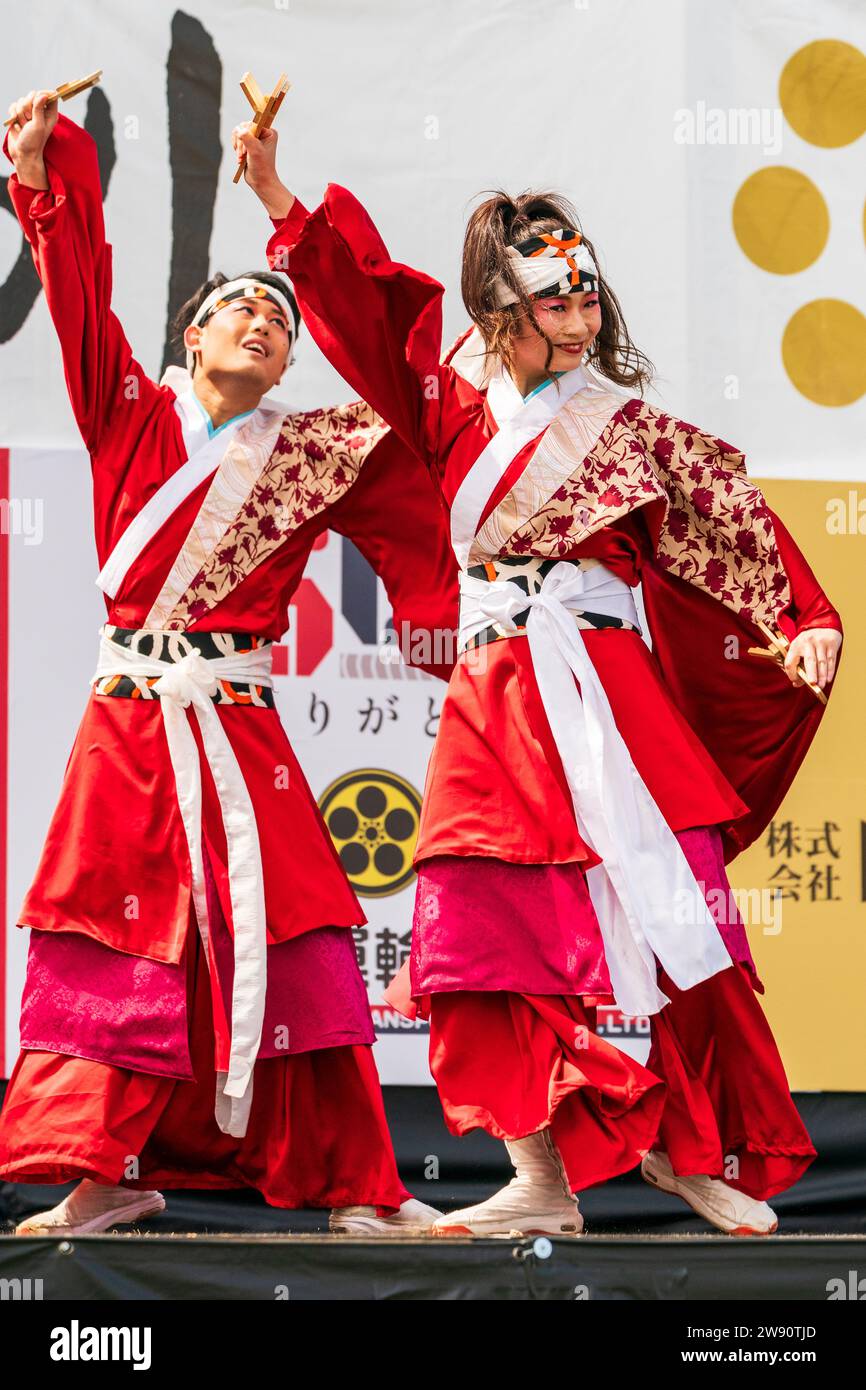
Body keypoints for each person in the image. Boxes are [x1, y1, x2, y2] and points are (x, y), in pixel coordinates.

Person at [237, 123, 843, 1238]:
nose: (583, 315)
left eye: (588, 296)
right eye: (558, 301)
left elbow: (726, 519)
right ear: (502, 312)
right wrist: (279, 193)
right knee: (478, 933)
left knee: (680, 916)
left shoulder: (626, 430)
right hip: (493, 692)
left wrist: (799, 618)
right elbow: (367, 302)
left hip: (608, 684)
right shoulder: (439, 386)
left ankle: (684, 1148)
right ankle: (541, 1176)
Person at [0, 92, 456, 1237]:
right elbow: (77, 297)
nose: (262, 322)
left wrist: (429, 604)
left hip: (240, 723)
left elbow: (416, 458)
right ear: (187, 338)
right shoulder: (124, 412)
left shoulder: (311, 455)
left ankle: (361, 1182)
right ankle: (103, 1173)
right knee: (115, 937)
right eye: (239, 308)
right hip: (131, 725)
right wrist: (43, 172)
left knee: (296, 943)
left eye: (278, 320)